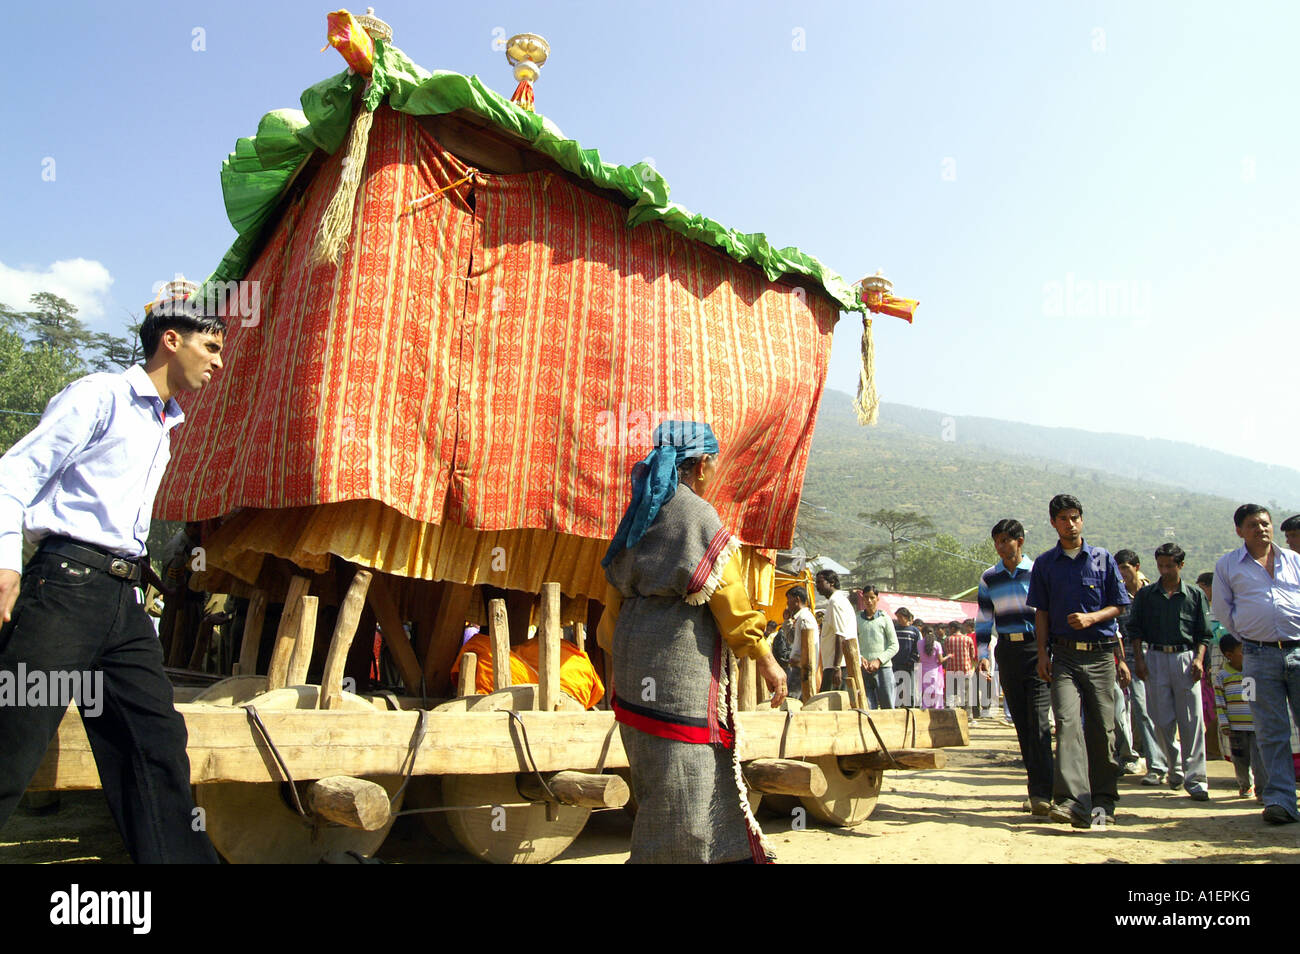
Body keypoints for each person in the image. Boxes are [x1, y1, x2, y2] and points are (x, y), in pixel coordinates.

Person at [0, 299, 225, 863]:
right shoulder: (100, 395)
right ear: (171, 340)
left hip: (121, 602)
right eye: (211, 346)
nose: (219, 362)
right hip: (66, 586)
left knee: (156, 741)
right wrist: (5, 562)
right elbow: (15, 473)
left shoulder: (165, 425)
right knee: (15, 736)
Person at [597, 420, 785, 862]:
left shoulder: (639, 512)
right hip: (678, 681)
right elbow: (731, 604)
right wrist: (765, 657)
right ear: (701, 465)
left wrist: (618, 667)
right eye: (714, 462)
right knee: (688, 794)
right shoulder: (697, 516)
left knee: (656, 786)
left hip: (635, 675)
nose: (716, 470)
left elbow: (611, 606)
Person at [1028, 494, 1131, 829]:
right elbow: (1041, 613)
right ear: (1053, 523)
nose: (1069, 524)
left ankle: (1104, 801)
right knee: (1067, 724)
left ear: (1081, 520)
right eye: (1063, 518)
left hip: (1100, 656)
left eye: (1074, 517)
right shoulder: (1045, 564)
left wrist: (1092, 618)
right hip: (1064, 657)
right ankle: (1073, 801)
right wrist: (1043, 654)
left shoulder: (1103, 559)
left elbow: (1119, 604)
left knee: (1102, 729)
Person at [1212, 504, 1300, 825]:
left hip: (1299, 651)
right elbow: (1224, 612)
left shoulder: (1295, 561)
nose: (1261, 529)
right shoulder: (1228, 566)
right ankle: (1280, 801)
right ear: (1239, 531)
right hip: (1258, 657)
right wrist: (1252, 636)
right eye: (1253, 525)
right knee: (1270, 730)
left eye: (1265, 523)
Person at [1126, 543, 1212, 800]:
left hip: (1185, 659)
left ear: (1180, 565)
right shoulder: (1146, 595)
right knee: (1161, 720)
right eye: (1161, 565)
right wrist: (1140, 660)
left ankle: (1196, 780)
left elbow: (1204, 634)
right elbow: (1136, 629)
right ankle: (1174, 767)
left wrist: (1198, 660)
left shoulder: (1194, 595)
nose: (1164, 570)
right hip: (1155, 658)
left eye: (1169, 566)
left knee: (1191, 722)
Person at [978, 519, 1051, 815]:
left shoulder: (1039, 572)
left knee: (1039, 720)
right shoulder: (989, 577)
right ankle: (1037, 791)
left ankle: (1045, 792)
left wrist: (1049, 651)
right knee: (1022, 722)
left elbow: (1050, 612)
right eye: (996, 541)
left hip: (1037, 649)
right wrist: (983, 652)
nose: (1000, 546)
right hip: (1007, 650)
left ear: (1020, 541)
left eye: (1006, 540)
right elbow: (984, 618)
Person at [1114, 549, 1161, 781]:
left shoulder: (1150, 594)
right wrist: (1120, 660)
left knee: (1146, 711)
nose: (1122, 573)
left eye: (1125, 568)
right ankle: (1128, 757)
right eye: (1118, 568)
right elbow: (1115, 631)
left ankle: (1156, 763)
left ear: (1137, 567)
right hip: (1123, 660)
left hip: (1149, 658)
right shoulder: (1116, 596)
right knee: (1120, 711)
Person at [1213, 634, 1266, 802]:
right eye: (1242, 651)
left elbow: (1256, 700)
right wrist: (1224, 723)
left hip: (1255, 726)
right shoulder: (1222, 676)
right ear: (1229, 655)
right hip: (1235, 728)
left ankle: (1262, 791)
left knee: (1259, 761)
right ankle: (1245, 785)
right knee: (1240, 759)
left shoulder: (1250, 673)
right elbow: (1220, 702)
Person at [855, 585, 898, 709]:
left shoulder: (885, 619)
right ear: (862, 599)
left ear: (877, 599)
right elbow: (854, 643)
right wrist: (860, 658)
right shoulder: (857, 619)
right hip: (864, 668)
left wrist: (879, 661)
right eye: (866, 598)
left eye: (872, 598)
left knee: (888, 706)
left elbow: (894, 645)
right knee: (867, 707)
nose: (869, 601)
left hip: (883, 669)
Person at [815, 570, 857, 693]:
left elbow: (841, 635)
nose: (817, 586)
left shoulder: (836, 602)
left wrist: (836, 667)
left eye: (820, 582)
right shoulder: (837, 601)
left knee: (830, 705)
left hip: (838, 665)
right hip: (834, 664)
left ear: (831, 582)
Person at [785, 586, 820, 700]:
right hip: (800, 666)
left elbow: (807, 645)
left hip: (802, 668)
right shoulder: (802, 618)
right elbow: (794, 640)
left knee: (793, 701)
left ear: (797, 600)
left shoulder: (805, 619)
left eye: (789, 600)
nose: (787, 604)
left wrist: (797, 659)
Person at [943, 618, 977, 720]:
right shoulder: (967, 639)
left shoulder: (948, 639)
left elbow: (947, 652)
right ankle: (968, 715)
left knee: (951, 693)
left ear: (953, 628)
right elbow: (972, 654)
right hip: (965, 669)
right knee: (966, 693)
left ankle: (951, 714)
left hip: (951, 669)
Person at [893, 608, 921, 706]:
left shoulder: (914, 631)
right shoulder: (894, 629)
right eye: (897, 617)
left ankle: (911, 709)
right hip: (895, 664)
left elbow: (918, 647)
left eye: (901, 617)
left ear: (906, 617)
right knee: (896, 689)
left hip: (909, 665)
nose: (899, 619)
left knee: (910, 690)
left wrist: (912, 660)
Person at [917, 625, 947, 708]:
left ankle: (925, 709)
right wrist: (948, 656)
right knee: (936, 692)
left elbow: (920, 657)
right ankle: (937, 710)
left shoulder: (919, 643)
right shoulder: (937, 644)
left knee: (925, 692)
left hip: (923, 671)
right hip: (935, 671)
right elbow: (940, 660)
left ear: (922, 633)